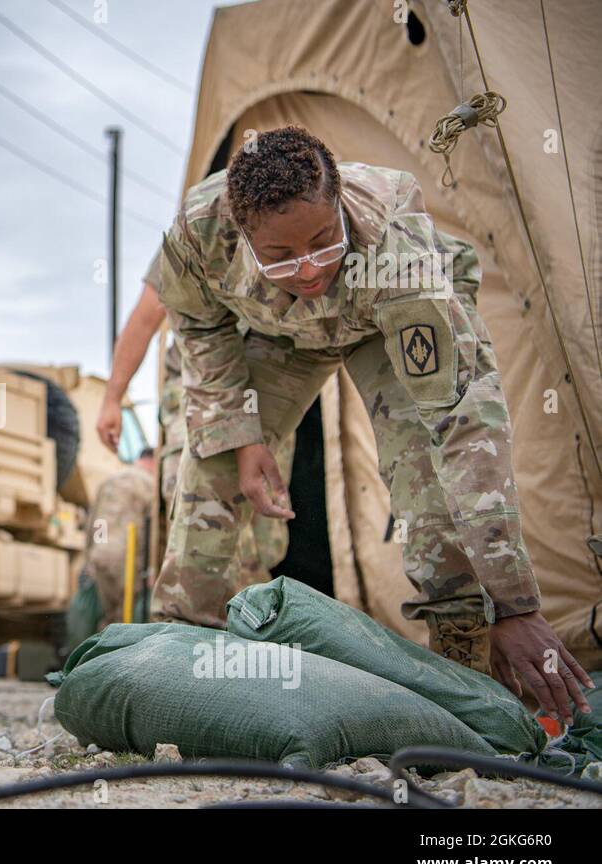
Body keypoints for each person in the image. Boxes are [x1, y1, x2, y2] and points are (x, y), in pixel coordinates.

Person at [154, 125, 592, 723]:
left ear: (339, 207)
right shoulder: (199, 233)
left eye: (323, 241)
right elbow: (198, 323)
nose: (309, 271)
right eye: (280, 256)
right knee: (211, 465)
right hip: (284, 335)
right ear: (242, 233)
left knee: (427, 485)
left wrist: (514, 604)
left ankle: (468, 682)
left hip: (380, 324)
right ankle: (178, 663)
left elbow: (461, 428)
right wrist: (244, 433)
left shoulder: (397, 250)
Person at [95, 252, 293, 599]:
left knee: (261, 531)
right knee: (198, 518)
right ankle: (198, 631)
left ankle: (249, 629)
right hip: (200, 393)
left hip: (266, 388)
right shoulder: (203, 226)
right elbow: (145, 317)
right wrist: (113, 397)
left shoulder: (288, 215)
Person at [85, 449, 157, 628]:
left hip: (101, 554)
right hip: (128, 559)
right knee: (125, 622)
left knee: (108, 618)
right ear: (153, 462)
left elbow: (93, 521)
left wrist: (89, 556)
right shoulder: (149, 484)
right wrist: (155, 567)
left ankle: (99, 652)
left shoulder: (109, 481)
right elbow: (155, 530)